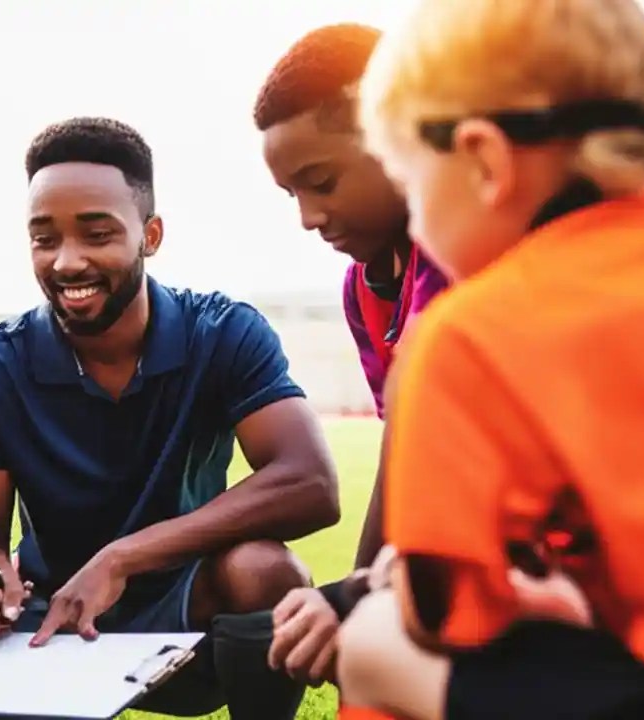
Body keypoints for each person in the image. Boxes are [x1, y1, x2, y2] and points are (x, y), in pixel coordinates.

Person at [0, 117, 340, 720]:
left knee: (266, 571)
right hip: (44, 618)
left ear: (151, 234)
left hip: (187, 613)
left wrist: (122, 557)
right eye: (44, 238)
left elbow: (311, 484)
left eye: (97, 234)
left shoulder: (222, 333)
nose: (67, 262)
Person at [330, 1, 644, 719]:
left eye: (409, 184)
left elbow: (449, 618)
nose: (414, 218)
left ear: (484, 160)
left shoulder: (470, 338)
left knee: (373, 642)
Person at [253, 24, 449, 690]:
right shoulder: (364, 287)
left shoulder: (462, 244)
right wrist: (352, 592)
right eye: (292, 197)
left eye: (322, 182)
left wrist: (358, 594)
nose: (309, 217)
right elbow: (406, 451)